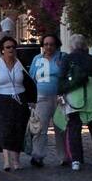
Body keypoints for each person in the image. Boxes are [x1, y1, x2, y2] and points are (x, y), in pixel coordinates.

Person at [0, 35, 36, 171]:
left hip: (19, 100)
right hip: (2, 100)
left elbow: (30, 83)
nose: (11, 49)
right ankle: (6, 161)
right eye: (8, 47)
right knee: (4, 130)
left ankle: (16, 160)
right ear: (2, 50)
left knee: (18, 130)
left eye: (13, 47)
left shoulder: (20, 63)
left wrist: (32, 101)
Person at [56, 36, 92, 172]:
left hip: (74, 97)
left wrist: (60, 93)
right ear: (85, 46)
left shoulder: (67, 59)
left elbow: (61, 78)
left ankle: (76, 160)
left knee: (74, 129)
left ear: (71, 46)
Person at [29, 32, 67, 169]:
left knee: (61, 128)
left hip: (59, 98)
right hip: (41, 98)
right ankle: (37, 156)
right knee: (40, 128)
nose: (48, 47)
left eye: (51, 44)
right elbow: (31, 78)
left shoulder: (62, 58)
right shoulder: (37, 59)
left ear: (56, 45)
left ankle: (64, 157)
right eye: (46, 44)